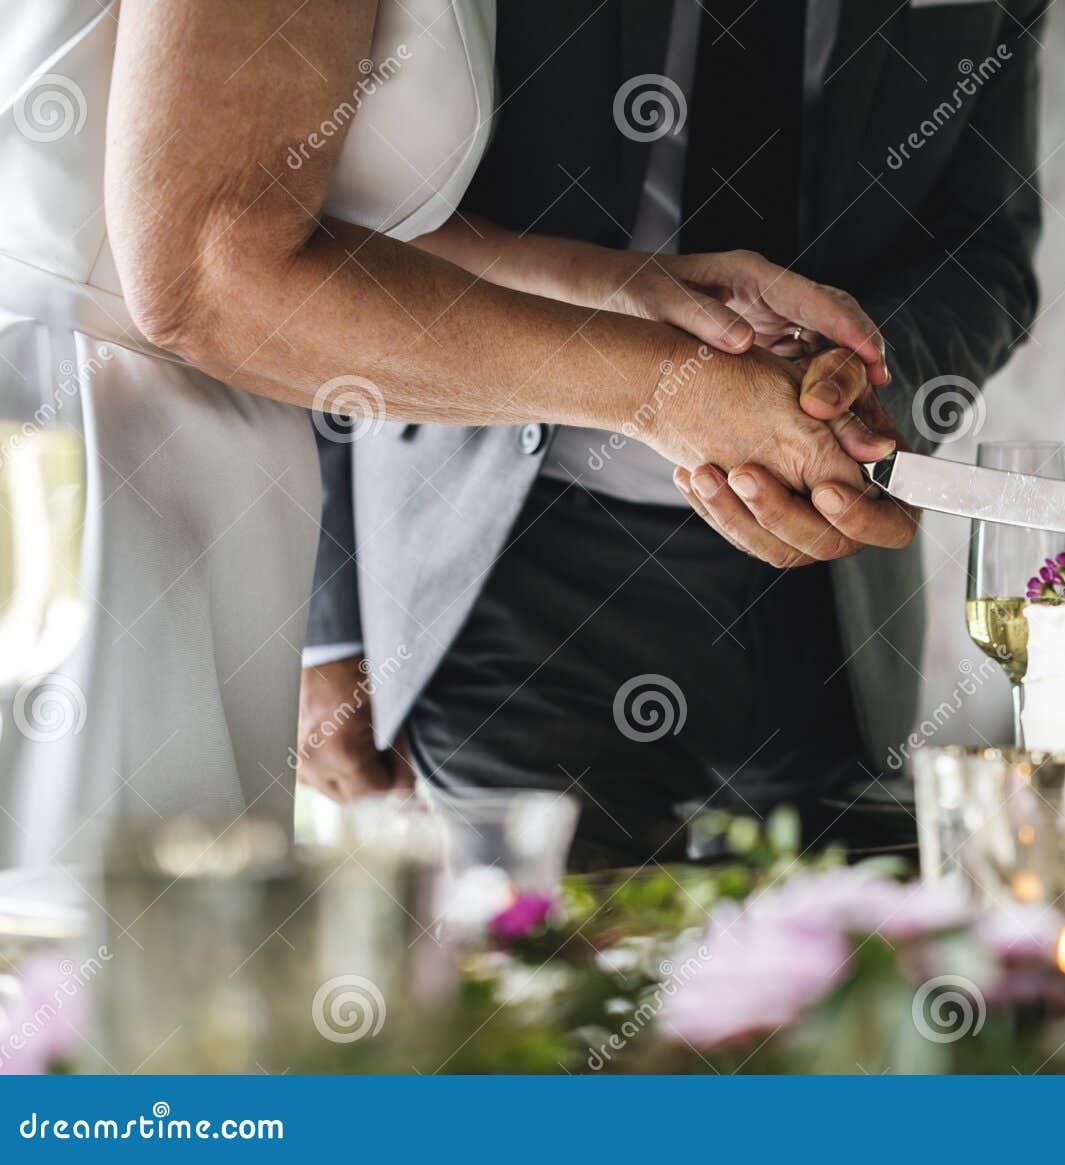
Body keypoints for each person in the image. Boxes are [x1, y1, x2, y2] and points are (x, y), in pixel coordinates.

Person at [0, 0, 905, 868]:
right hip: (82, 489)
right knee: (97, 974)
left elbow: (312, 215)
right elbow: (206, 271)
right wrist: (661, 390)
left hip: (216, 473)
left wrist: (625, 291)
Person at [298, 0, 1046, 863]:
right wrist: (327, 623)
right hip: (503, 563)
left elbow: (985, 250)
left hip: (821, 599)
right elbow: (331, 238)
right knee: (545, 977)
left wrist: (857, 386)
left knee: (815, 979)